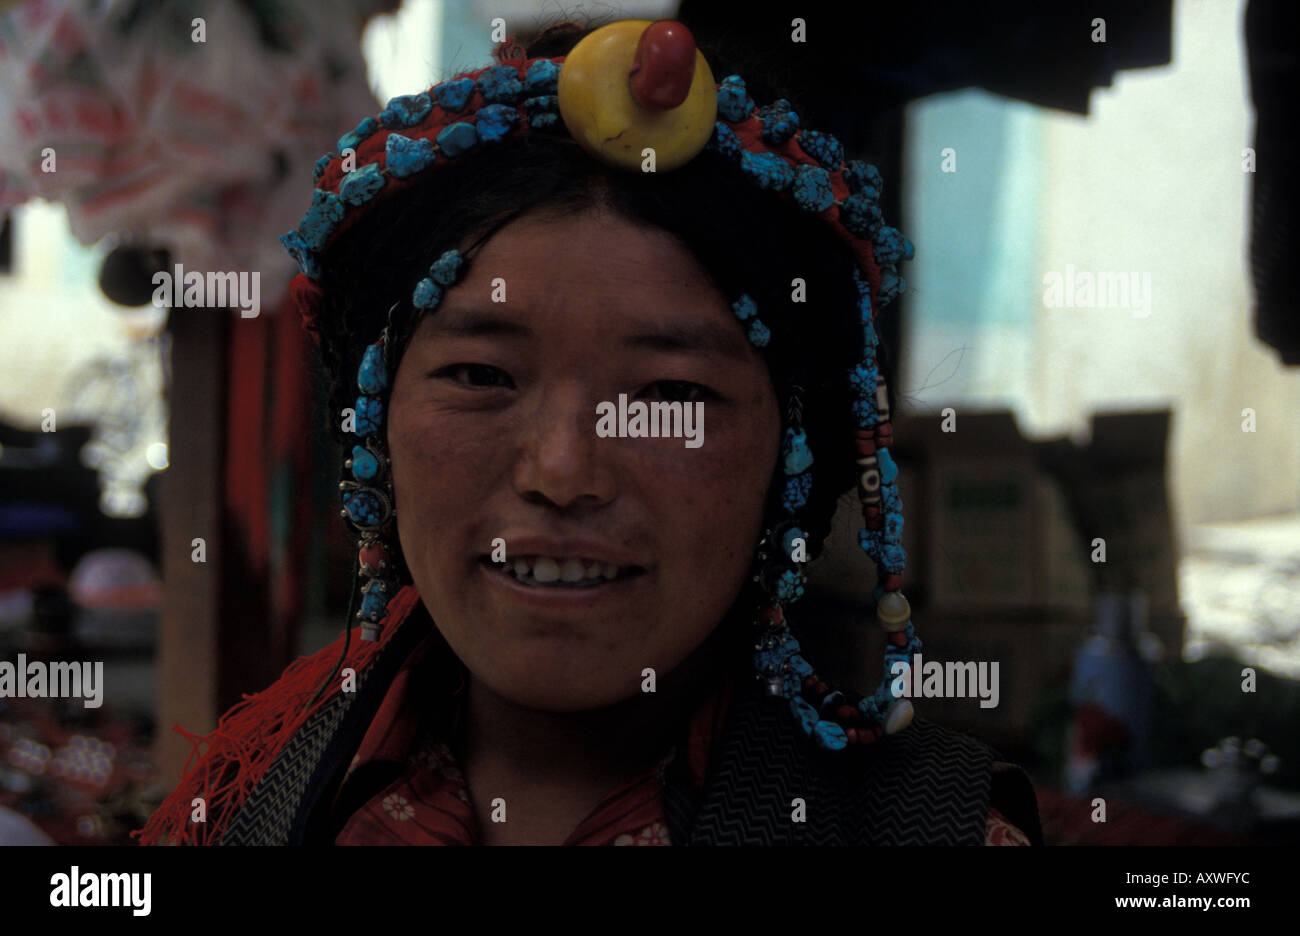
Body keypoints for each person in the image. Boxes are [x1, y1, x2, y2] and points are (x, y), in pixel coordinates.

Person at [138, 19, 1042, 846]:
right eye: (482, 377)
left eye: (670, 394)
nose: (563, 471)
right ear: (374, 421)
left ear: (792, 461)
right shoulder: (249, 806)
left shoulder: (938, 835)